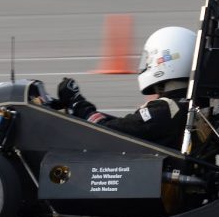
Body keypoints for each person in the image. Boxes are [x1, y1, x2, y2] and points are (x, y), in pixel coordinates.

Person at [56, 26, 197, 148]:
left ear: (163, 61)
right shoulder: (194, 105)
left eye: (148, 59)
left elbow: (108, 132)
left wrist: (77, 102)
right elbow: (127, 126)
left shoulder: (164, 110)